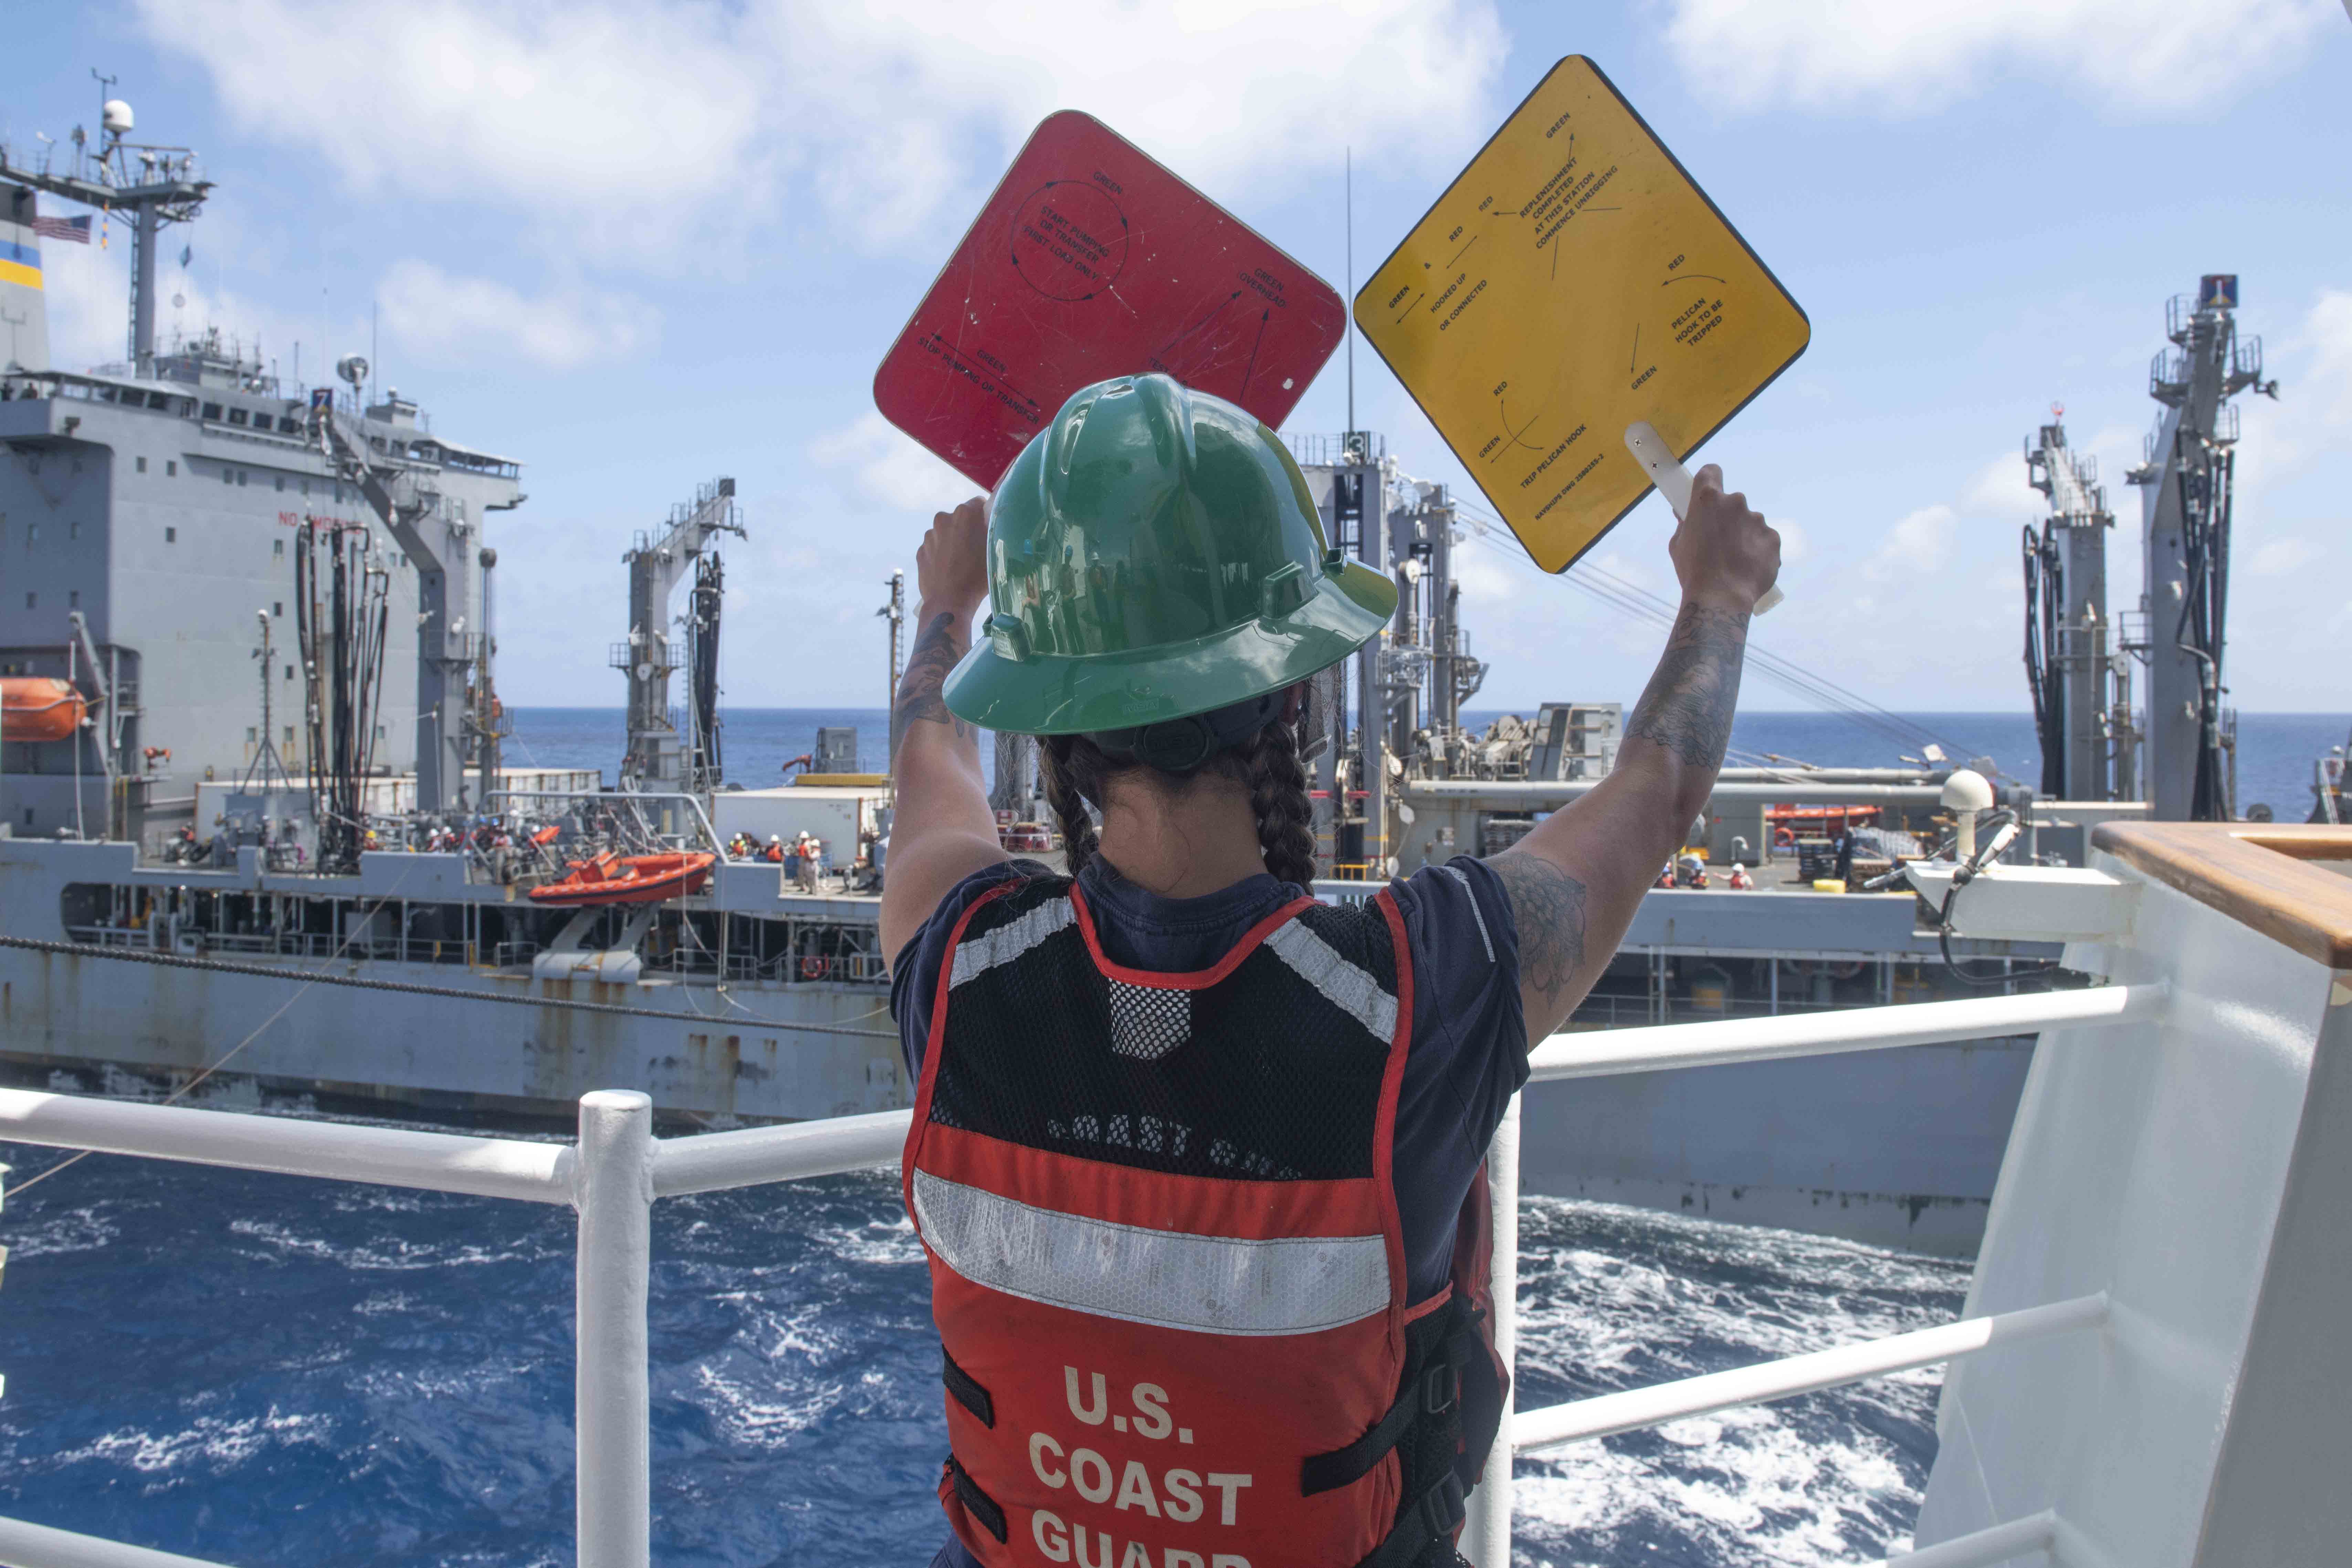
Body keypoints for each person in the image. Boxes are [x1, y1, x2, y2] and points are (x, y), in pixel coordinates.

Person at [881, 373, 1776, 1568]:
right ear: (1295, 693)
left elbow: (927, 759)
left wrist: (949, 602)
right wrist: (1721, 593)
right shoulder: (1416, 997)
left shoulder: (956, 970)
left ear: (1053, 719)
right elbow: (1658, 787)